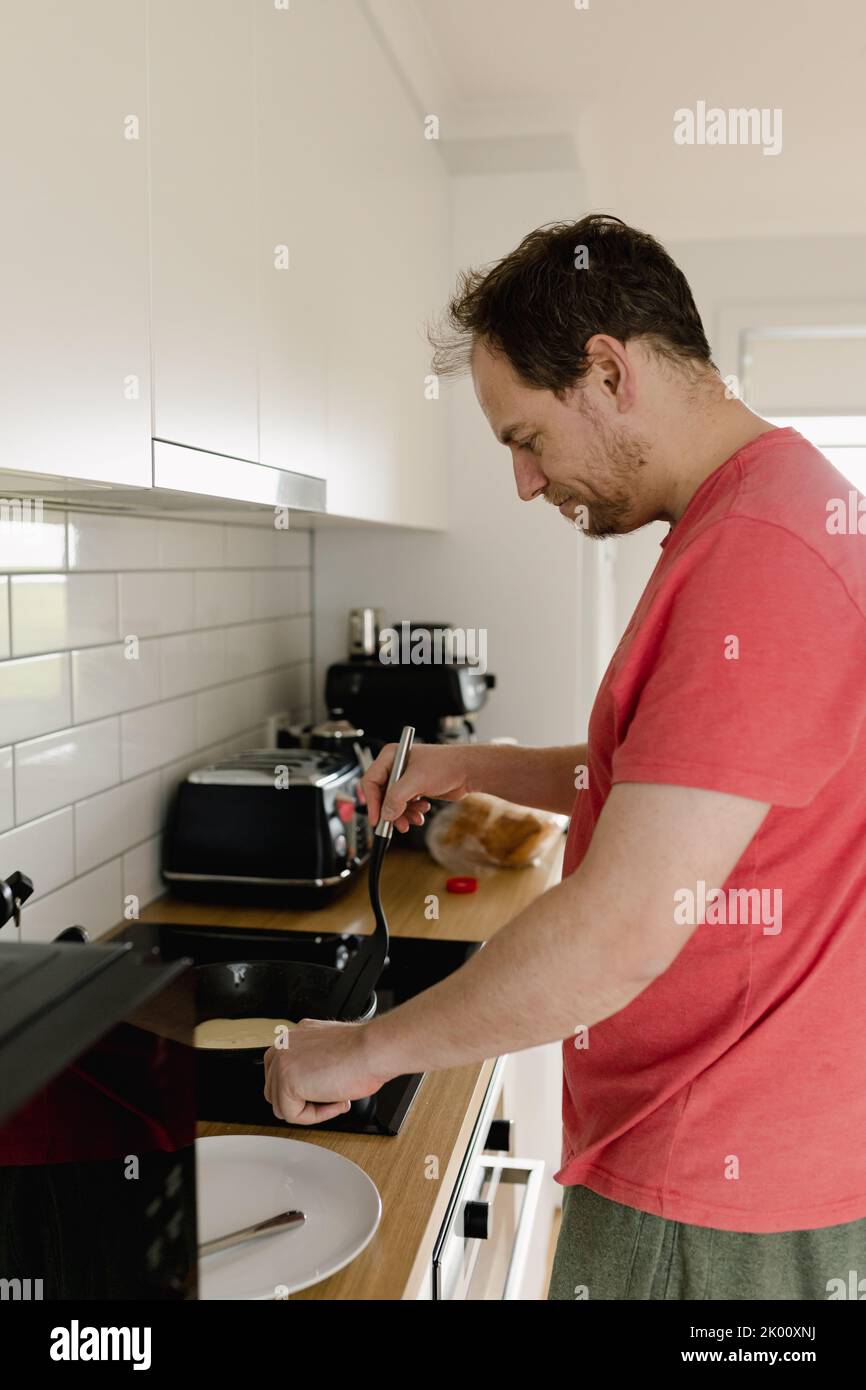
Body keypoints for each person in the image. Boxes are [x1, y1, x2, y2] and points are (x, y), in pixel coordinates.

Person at [264, 215, 866, 1300]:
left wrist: (359, 1053)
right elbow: (676, 783)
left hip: (711, 1198)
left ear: (604, 371)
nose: (524, 484)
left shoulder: (756, 557)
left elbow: (619, 930)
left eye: (523, 437)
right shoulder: (768, 512)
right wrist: (479, 764)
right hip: (751, 1166)